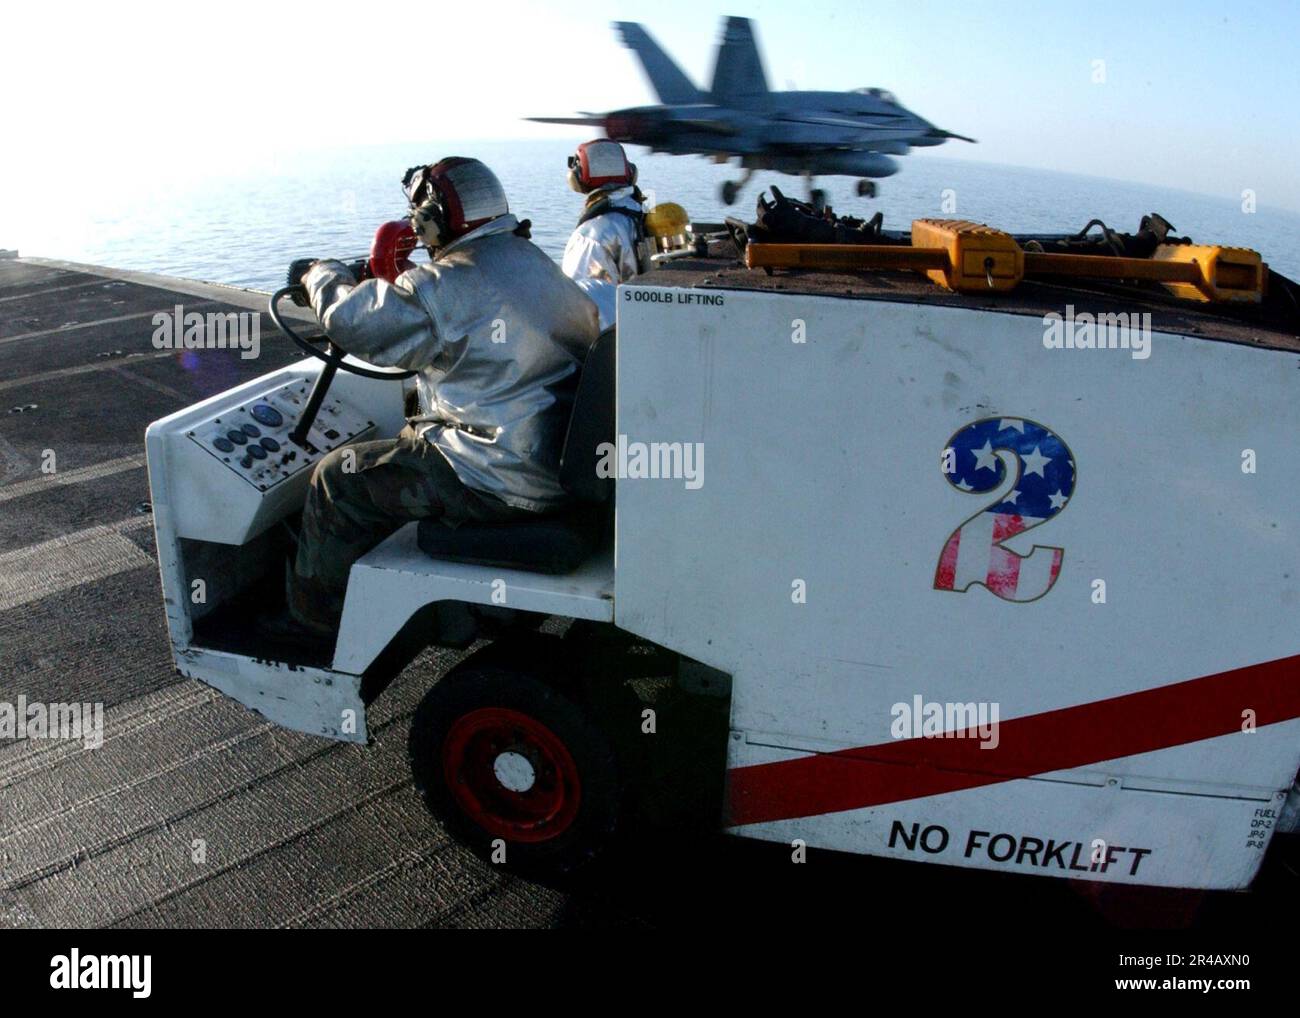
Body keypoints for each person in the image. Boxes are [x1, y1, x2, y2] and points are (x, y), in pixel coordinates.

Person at [261, 157, 600, 646]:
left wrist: (320, 274)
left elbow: (349, 322)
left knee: (338, 477)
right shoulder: (531, 261)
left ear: (434, 216)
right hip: (548, 458)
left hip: (496, 477)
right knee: (400, 443)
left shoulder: (444, 285)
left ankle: (311, 626)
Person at [560, 139, 648, 331]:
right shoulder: (641, 214)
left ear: (578, 177)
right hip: (647, 326)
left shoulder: (590, 236)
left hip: (618, 343)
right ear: (630, 172)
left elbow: (580, 309)